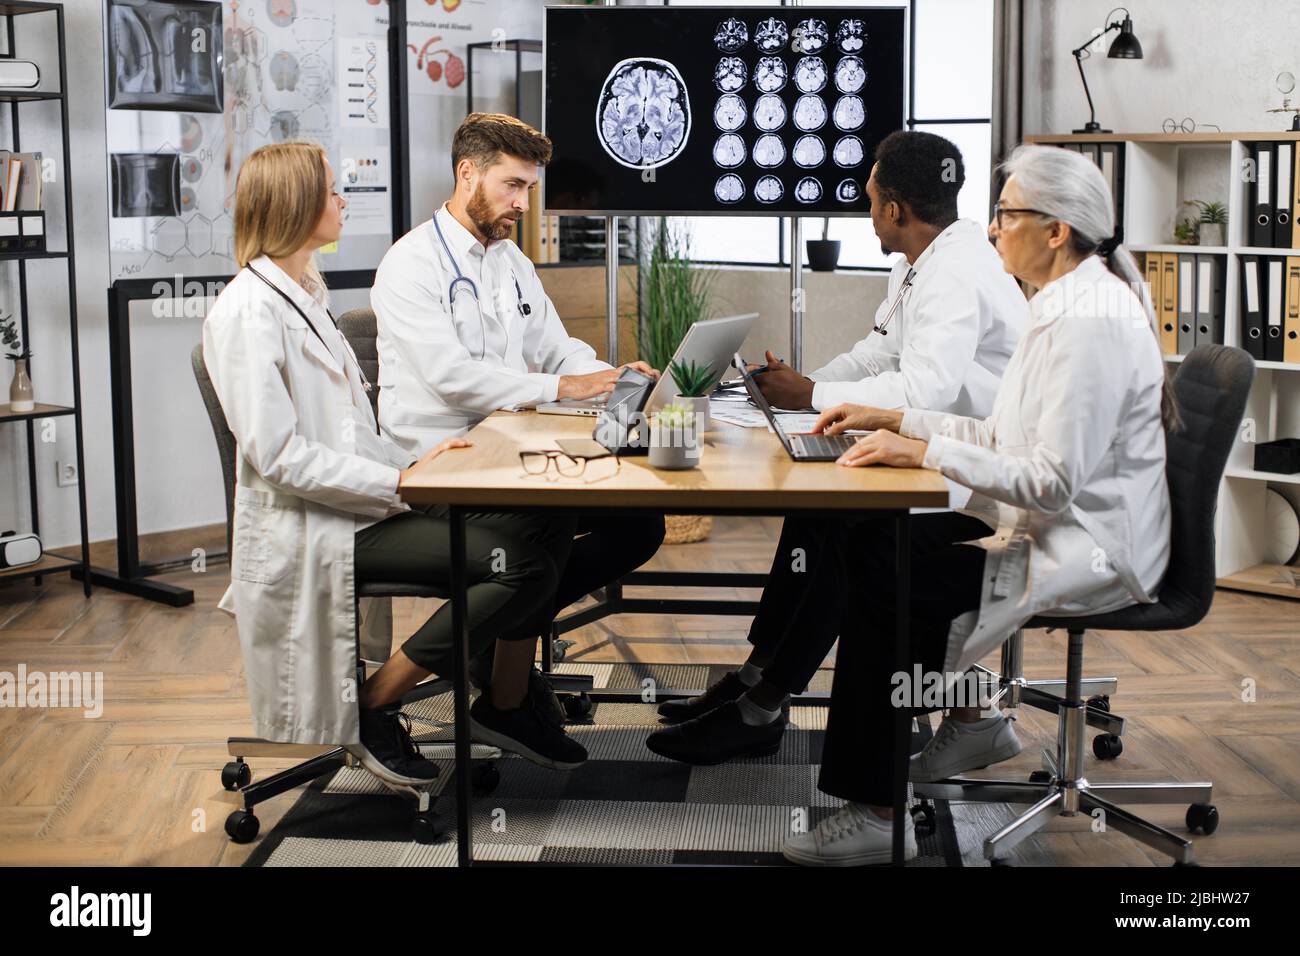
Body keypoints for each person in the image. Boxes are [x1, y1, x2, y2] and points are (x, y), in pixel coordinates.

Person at [780, 143, 1175, 865]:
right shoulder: (1059, 301)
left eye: (1006, 215)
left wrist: (926, 451)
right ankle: (971, 717)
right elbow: (1003, 433)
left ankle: (876, 810)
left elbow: (1051, 479)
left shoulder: (1089, 323)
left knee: (887, 579)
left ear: (1055, 230)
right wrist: (902, 422)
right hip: (1049, 526)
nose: (991, 230)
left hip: (1091, 549)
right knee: (876, 548)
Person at [203, 142, 588, 788]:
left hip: (360, 501)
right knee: (517, 566)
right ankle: (376, 701)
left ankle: (506, 701)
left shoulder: (304, 295)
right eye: (331, 191)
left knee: (545, 521)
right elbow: (278, 458)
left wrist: (417, 464)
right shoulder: (247, 312)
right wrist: (399, 482)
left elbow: (352, 431)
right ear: (295, 205)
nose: (342, 200)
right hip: (316, 527)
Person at [646, 130, 1029, 765]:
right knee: (816, 508)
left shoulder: (957, 271)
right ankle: (758, 679)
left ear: (894, 210)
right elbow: (880, 350)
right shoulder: (918, 260)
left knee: (848, 527)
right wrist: (808, 387)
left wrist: (815, 391)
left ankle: (762, 704)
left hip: (971, 475)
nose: (866, 210)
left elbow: (922, 387)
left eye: (870, 198)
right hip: (928, 453)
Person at [371, 112, 664, 694]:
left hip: (506, 454)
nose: (523, 202)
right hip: (439, 468)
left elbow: (556, 348)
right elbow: (452, 378)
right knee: (547, 522)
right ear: (467, 173)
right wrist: (565, 388)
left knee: (638, 526)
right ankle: (505, 689)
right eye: (512, 184)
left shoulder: (510, 261)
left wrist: (606, 375)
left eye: (529, 188)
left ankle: (497, 642)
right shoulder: (410, 264)